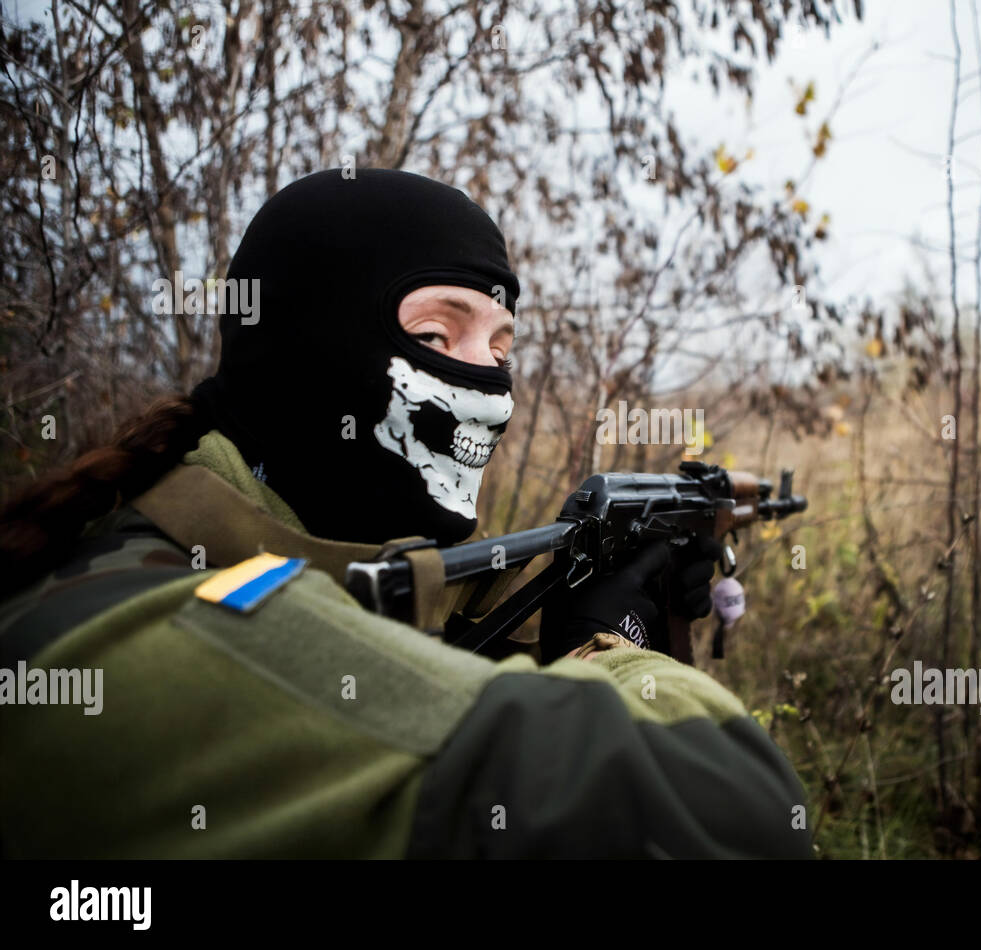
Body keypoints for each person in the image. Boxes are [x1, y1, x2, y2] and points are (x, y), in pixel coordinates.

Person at [0, 169, 811, 859]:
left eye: (500, 349)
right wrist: (616, 654)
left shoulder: (291, 553)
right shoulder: (153, 633)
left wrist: (579, 600)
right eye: (435, 332)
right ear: (302, 348)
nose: (493, 398)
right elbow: (733, 810)